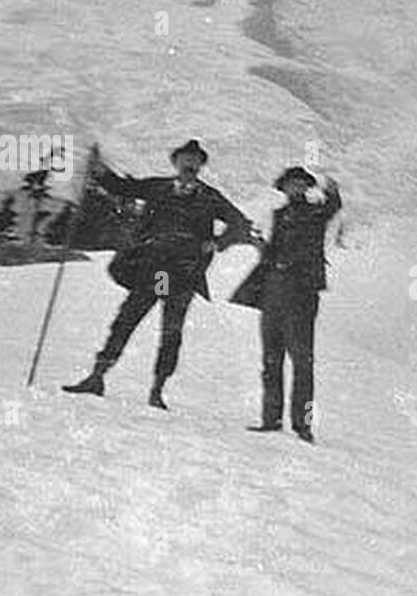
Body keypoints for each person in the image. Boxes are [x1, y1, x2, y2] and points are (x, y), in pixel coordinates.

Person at [62, 140, 254, 409]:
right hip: (156, 271)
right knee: (127, 320)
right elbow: (124, 188)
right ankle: (97, 377)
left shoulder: (210, 197)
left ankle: (157, 390)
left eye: (195, 160)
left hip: (184, 274)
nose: (190, 164)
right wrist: (100, 171)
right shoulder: (157, 187)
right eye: (185, 159)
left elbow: (240, 223)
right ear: (175, 162)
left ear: (200, 165)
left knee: (170, 332)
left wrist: (218, 243)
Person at [231, 166, 341, 442]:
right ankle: (271, 419)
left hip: (301, 296)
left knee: (302, 363)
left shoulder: (317, 212)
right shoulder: (278, 216)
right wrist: (259, 246)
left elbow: (333, 205)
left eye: (301, 184)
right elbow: (272, 251)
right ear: (284, 188)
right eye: (291, 184)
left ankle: (303, 426)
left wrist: (331, 188)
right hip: (273, 293)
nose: (296, 189)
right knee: (271, 360)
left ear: (307, 187)